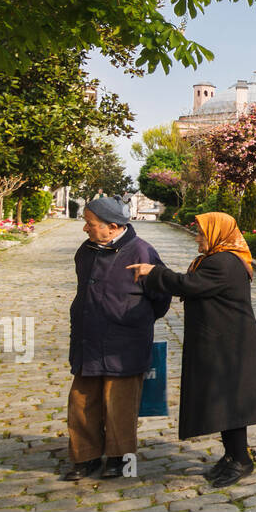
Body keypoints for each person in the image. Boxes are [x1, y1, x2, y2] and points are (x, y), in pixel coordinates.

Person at [127, 212, 256, 488]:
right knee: (222, 399)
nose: (198, 237)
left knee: (230, 401)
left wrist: (154, 273)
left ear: (217, 233)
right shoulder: (217, 258)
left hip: (229, 344)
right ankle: (232, 455)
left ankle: (241, 460)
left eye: (201, 232)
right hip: (221, 339)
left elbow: (189, 285)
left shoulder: (223, 262)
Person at [65, 196, 169, 481]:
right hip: (88, 339)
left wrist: (133, 320)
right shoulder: (85, 251)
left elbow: (160, 298)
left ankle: (118, 457)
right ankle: (84, 457)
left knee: (119, 404)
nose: (85, 229)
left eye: (91, 223)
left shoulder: (141, 252)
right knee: (82, 400)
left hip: (124, 344)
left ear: (112, 227)